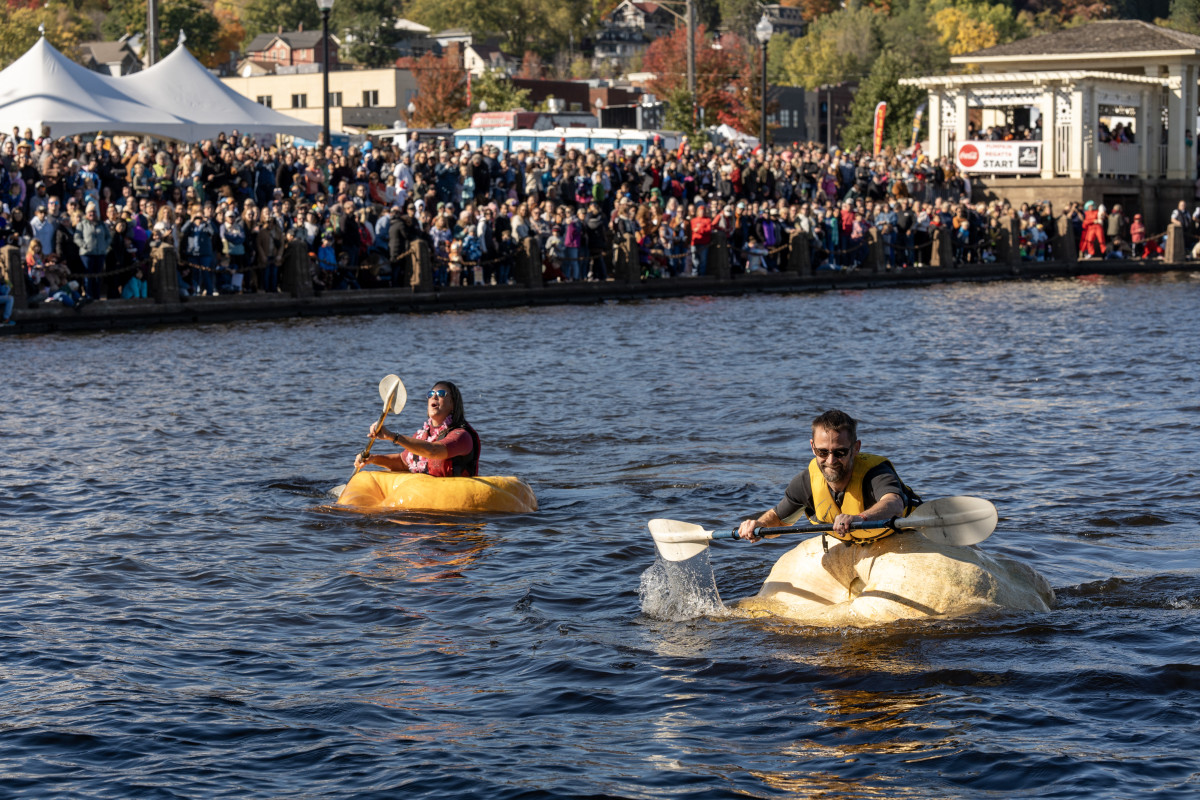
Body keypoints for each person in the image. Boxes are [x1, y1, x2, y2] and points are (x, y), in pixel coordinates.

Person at [737, 409, 920, 547]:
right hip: (857, 544)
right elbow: (778, 519)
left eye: (840, 452)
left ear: (855, 448)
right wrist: (759, 525)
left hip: (905, 537)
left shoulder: (876, 473)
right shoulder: (805, 482)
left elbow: (894, 503)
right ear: (812, 447)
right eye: (822, 452)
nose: (831, 461)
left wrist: (860, 518)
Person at [355, 381, 480, 477]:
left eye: (441, 394)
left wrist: (393, 436)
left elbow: (434, 451)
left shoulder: (462, 436)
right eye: (431, 394)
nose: (434, 397)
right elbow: (402, 463)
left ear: (453, 404)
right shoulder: (422, 435)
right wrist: (372, 459)